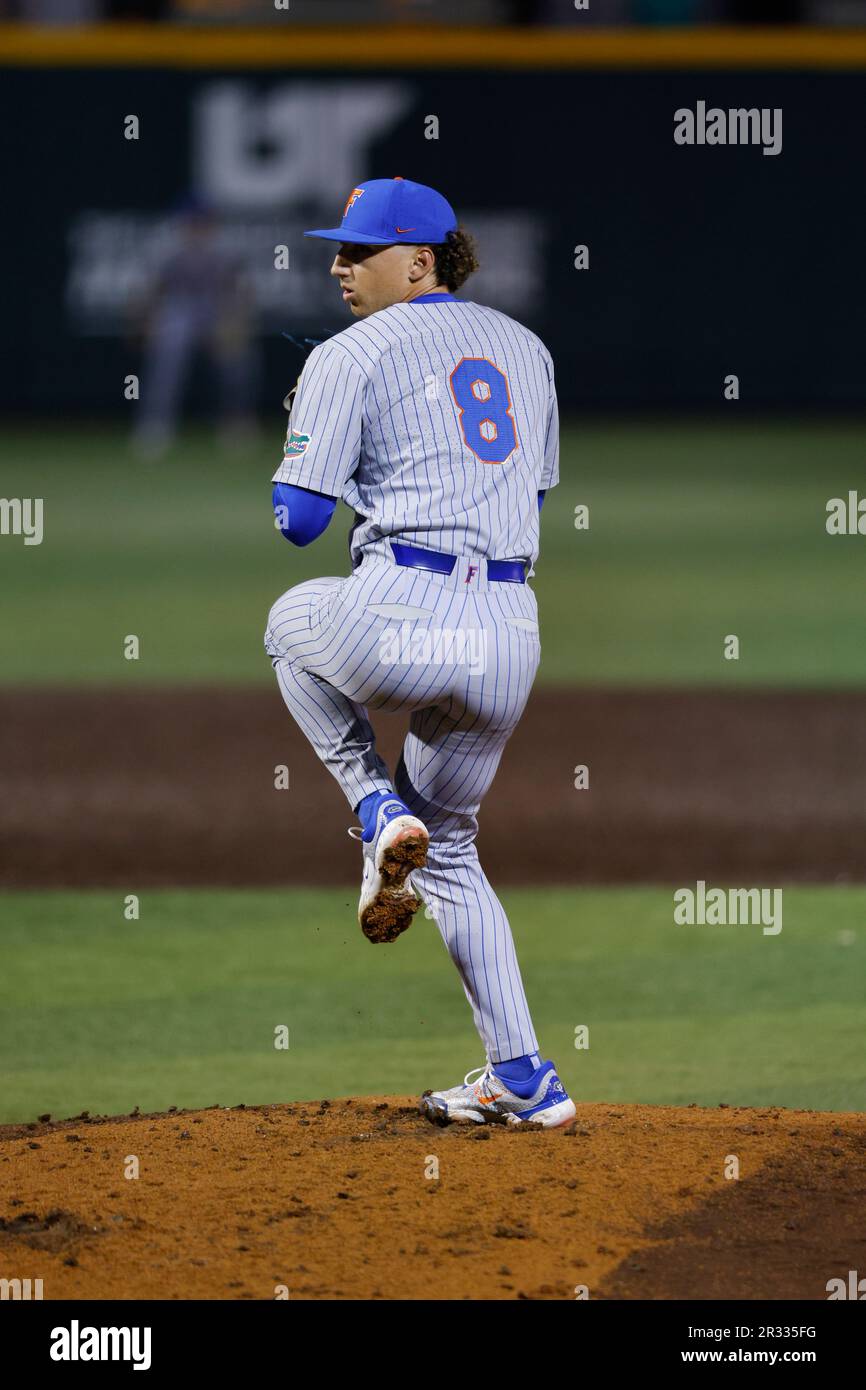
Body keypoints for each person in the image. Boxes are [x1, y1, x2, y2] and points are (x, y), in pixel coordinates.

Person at [264, 177, 575, 1128]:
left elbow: (298, 523)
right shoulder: (528, 349)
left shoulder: (347, 355)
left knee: (288, 623)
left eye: (361, 251)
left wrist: (315, 437)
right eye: (340, 248)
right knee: (450, 855)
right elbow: (524, 501)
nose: (340, 266)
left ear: (423, 259)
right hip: (510, 632)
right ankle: (524, 1078)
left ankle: (370, 806)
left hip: (402, 608)